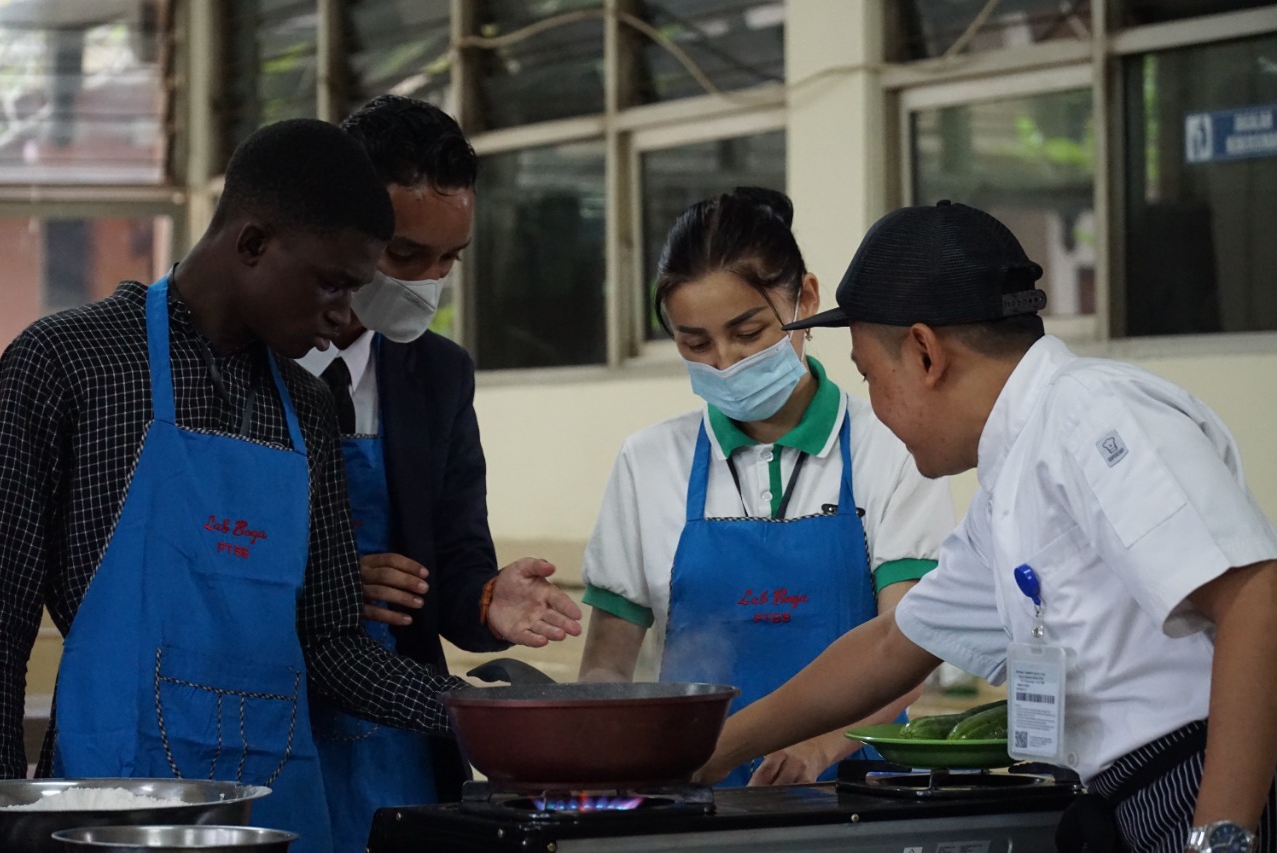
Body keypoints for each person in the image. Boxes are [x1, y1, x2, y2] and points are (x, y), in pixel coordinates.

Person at [695, 200, 1277, 853]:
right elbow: (893, 644)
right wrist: (717, 750)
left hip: (1214, 784)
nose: (876, 407)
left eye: (869, 375)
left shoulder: (1090, 411)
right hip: (1129, 797)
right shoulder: (1011, 475)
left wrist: (1220, 836)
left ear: (923, 352)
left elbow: (1256, 598)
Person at [0, 119, 483, 853]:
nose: (345, 314)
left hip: (276, 809)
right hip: (114, 807)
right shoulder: (69, 364)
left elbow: (329, 646)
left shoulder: (309, 407)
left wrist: (476, 709)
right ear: (254, 243)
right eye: (333, 283)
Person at [576, 187, 956, 787]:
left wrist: (817, 749)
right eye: (695, 343)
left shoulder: (890, 448)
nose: (725, 362)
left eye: (748, 332)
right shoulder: (648, 462)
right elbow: (606, 663)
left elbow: (908, 648)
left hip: (853, 792)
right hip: (689, 791)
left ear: (805, 297)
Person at [296, 94, 582, 848]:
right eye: (404, 256)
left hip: (403, 727)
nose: (427, 282)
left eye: (449, 260)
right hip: (270, 713)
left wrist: (488, 599)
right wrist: (324, 580)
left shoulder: (440, 374)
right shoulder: (250, 359)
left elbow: (454, 557)